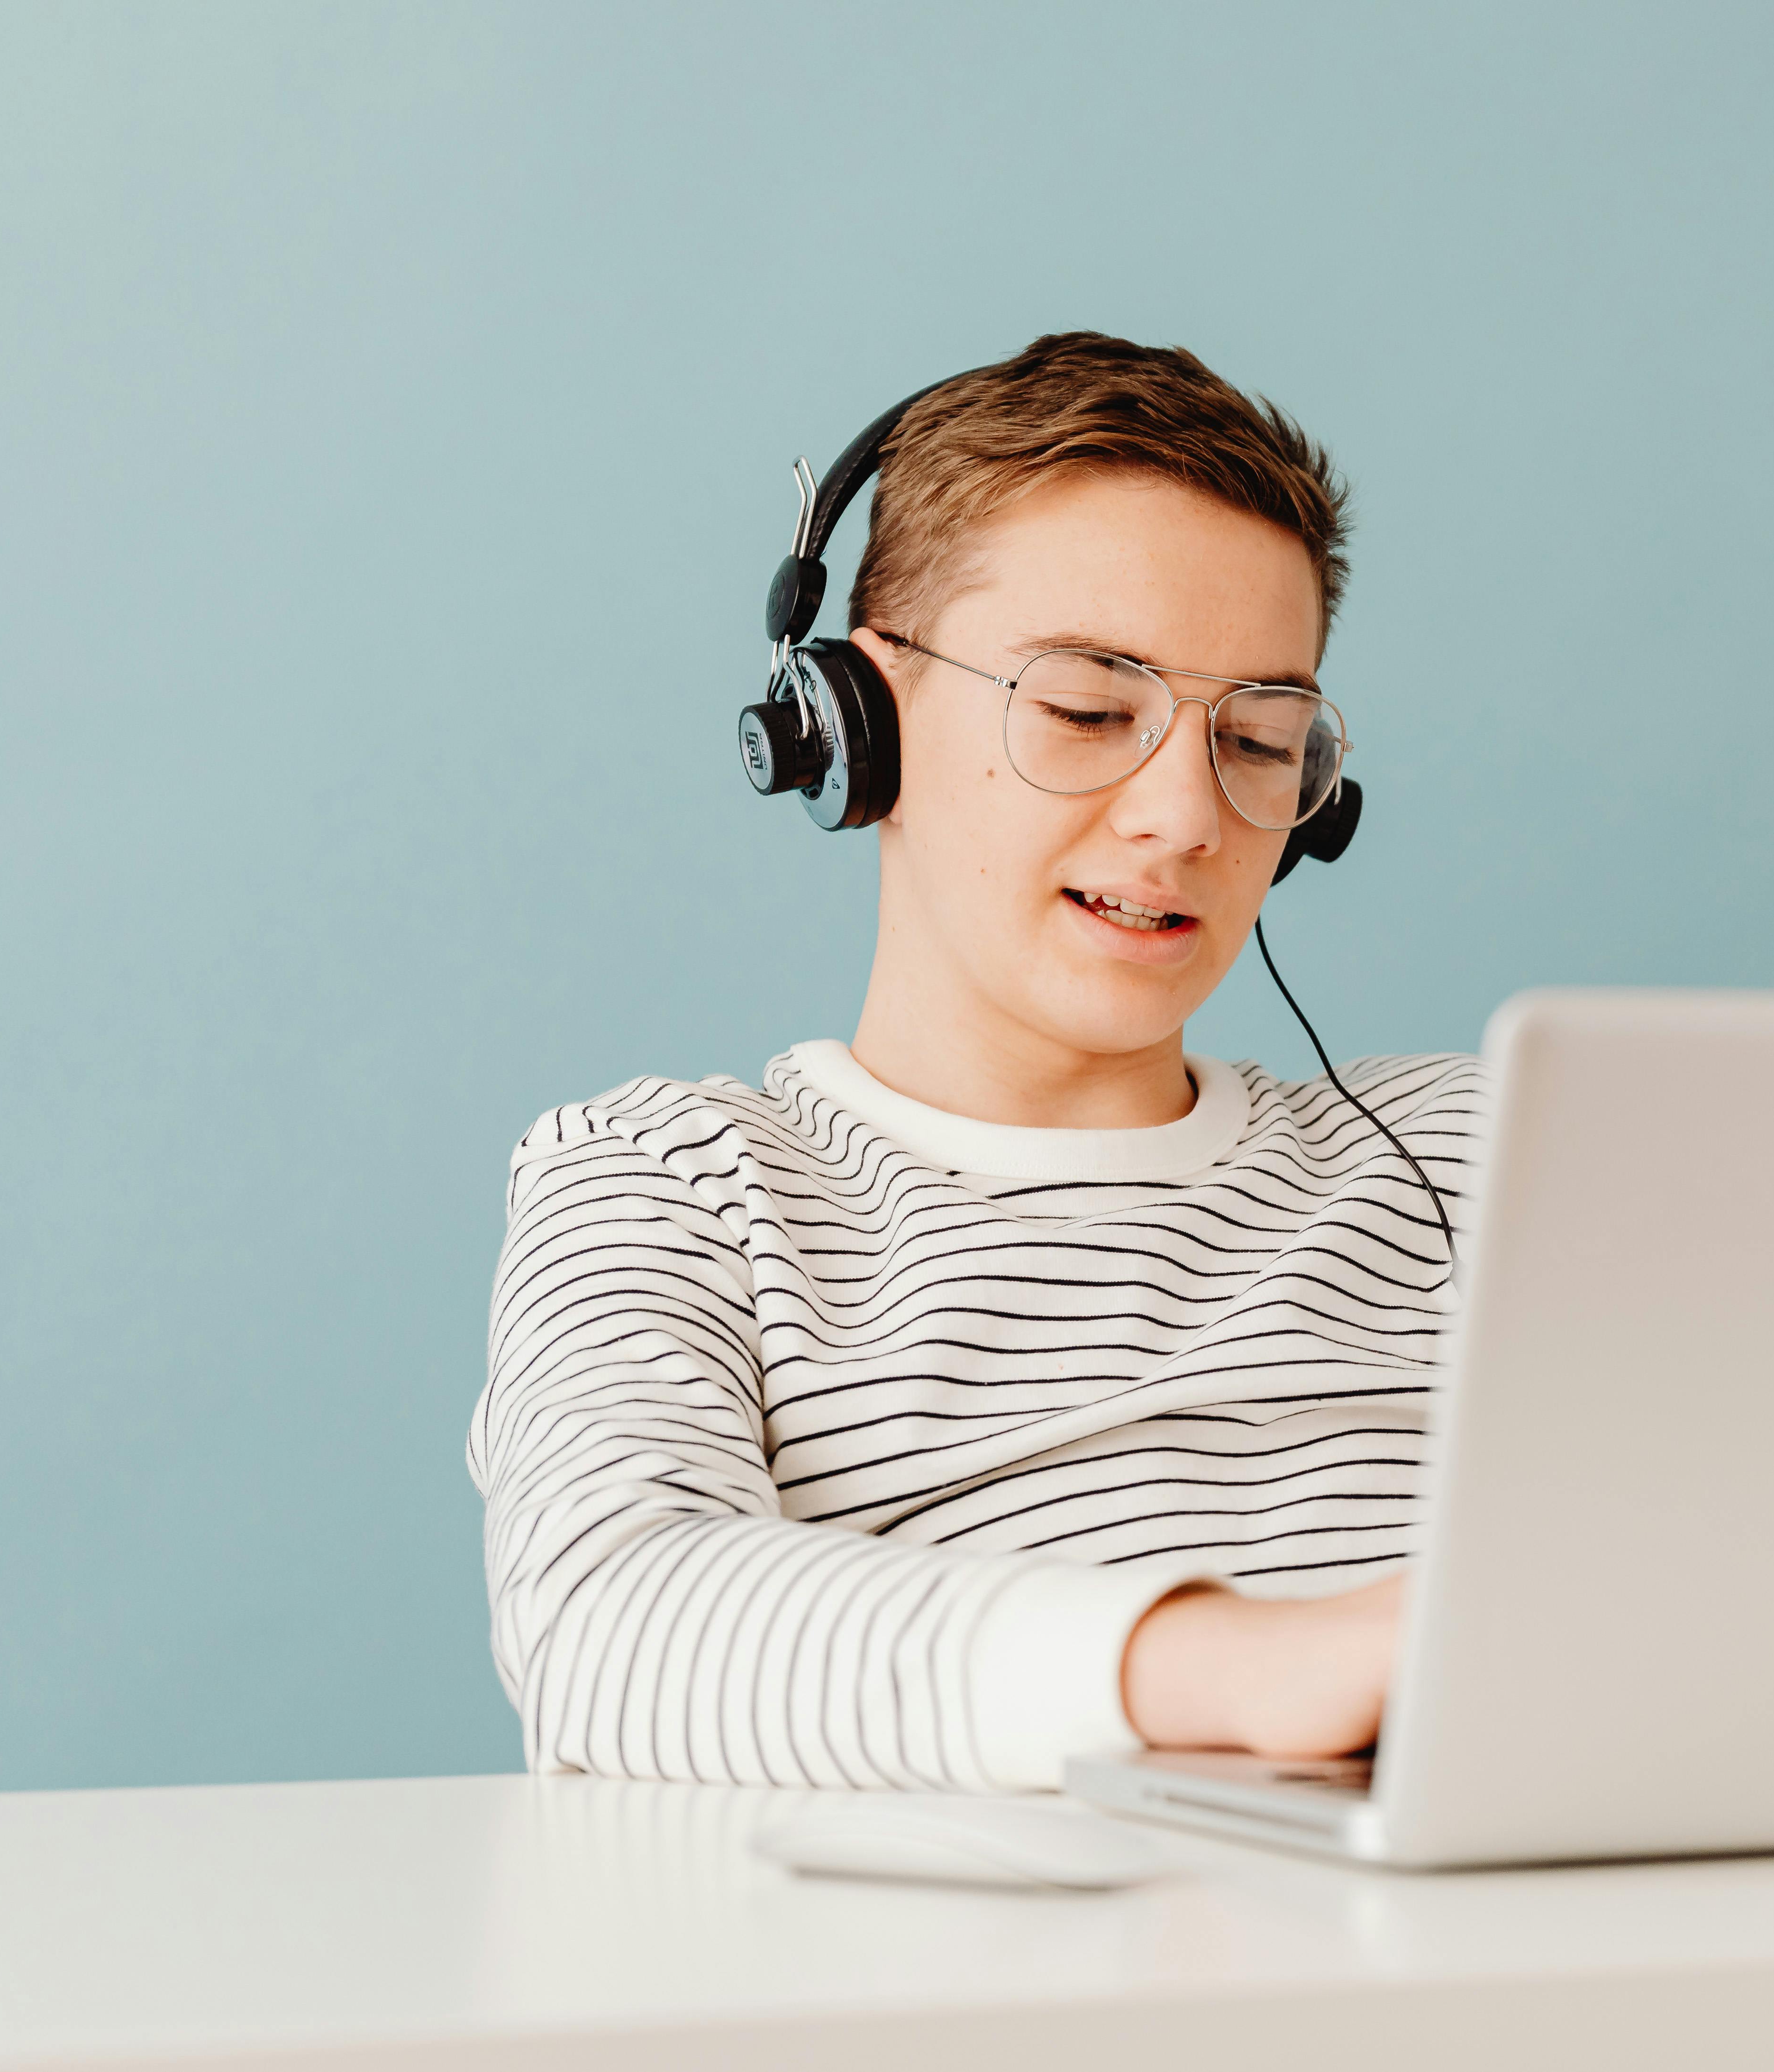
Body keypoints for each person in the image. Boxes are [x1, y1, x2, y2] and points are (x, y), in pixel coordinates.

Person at [470, 334, 1478, 1791]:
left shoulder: (1469, 1150)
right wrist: (1238, 1668)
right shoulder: (671, 1185)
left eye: (1260, 739)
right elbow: (604, 1627)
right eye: (1087, 711)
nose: (1186, 818)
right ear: (856, 722)